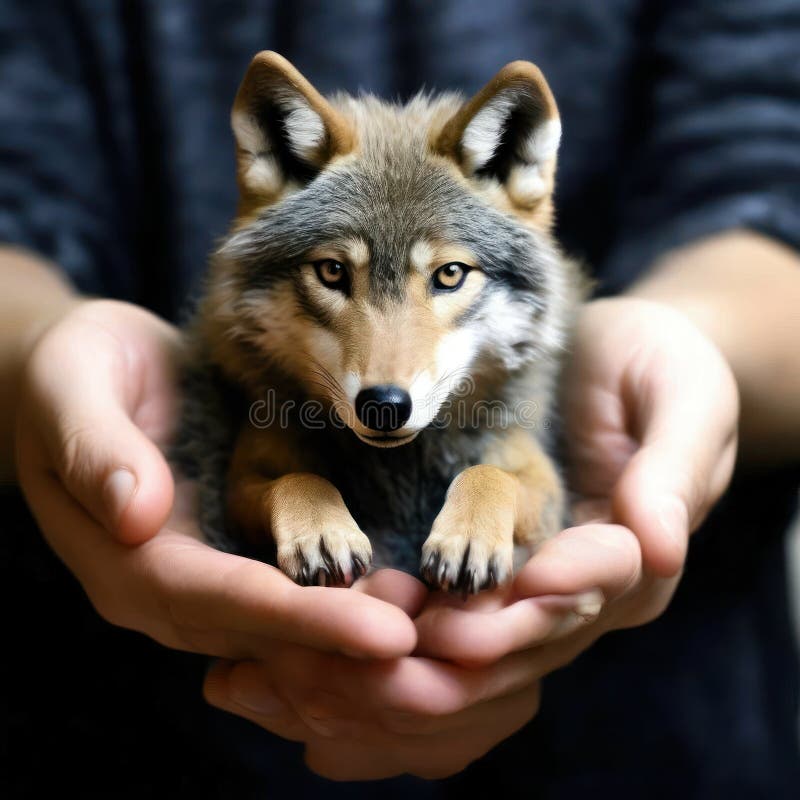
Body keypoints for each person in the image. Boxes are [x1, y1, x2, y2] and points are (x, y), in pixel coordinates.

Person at [3, 1, 799, 797]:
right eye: (332, 274)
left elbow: (764, 179)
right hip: (136, 743)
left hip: (644, 749)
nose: (387, 374)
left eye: (448, 277)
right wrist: (44, 354)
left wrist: (692, 348)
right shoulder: (274, 403)